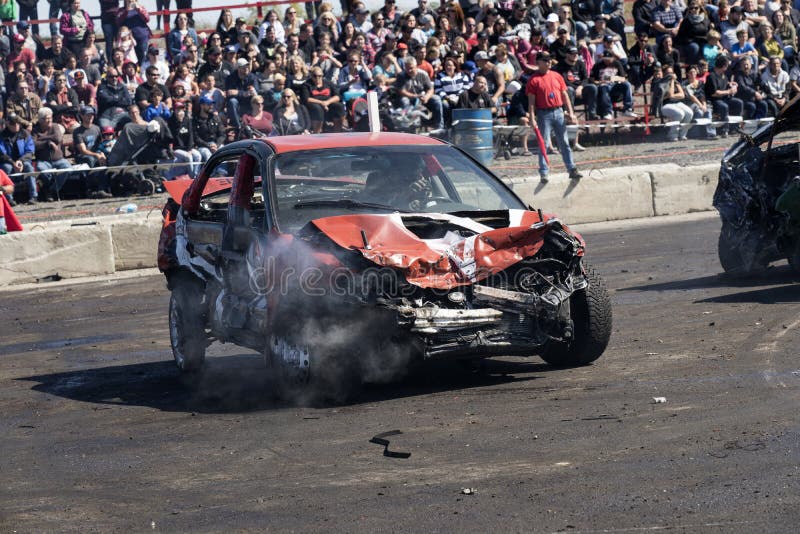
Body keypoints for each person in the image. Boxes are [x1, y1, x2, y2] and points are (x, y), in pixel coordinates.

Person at [525, 52, 583, 183]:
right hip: (543, 113)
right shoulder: (534, 80)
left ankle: (571, 169)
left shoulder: (557, 76)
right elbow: (531, 102)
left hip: (558, 111)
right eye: (545, 60)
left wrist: (570, 112)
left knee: (565, 143)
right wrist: (532, 118)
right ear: (538, 63)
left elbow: (565, 95)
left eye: (549, 60)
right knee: (543, 144)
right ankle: (544, 172)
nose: (548, 62)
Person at [394, 56, 445, 133]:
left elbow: (430, 89)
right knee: (404, 101)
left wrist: (427, 97)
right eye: (407, 68)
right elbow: (401, 91)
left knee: (436, 99)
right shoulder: (401, 75)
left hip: (422, 96)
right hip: (408, 97)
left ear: (416, 66)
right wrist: (414, 96)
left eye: (411, 68)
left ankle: (438, 126)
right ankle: (409, 127)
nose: (409, 70)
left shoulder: (423, 74)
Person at [33, 107, 73, 200]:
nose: (49, 120)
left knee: (68, 168)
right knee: (42, 169)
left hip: (59, 159)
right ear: (41, 120)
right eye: (46, 118)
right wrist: (48, 143)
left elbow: (58, 138)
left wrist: (42, 138)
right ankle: (47, 190)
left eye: (50, 118)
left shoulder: (55, 126)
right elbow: (34, 144)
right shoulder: (36, 130)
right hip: (44, 160)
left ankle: (52, 190)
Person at [554, 45, 599, 121]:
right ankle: (570, 114)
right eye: (572, 54)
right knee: (569, 89)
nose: (575, 55)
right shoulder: (560, 66)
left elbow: (585, 78)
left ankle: (592, 113)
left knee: (592, 87)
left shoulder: (580, 63)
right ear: (567, 55)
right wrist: (576, 89)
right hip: (567, 92)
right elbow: (564, 82)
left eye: (576, 53)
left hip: (580, 90)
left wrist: (580, 87)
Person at [589, 50, 637, 120]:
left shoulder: (617, 64)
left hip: (615, 85)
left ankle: (628, 108)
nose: (607, 61)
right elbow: (592, 79)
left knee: (627, 84)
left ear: (613, 58)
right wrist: (598, 82)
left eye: (609, 60)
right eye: (605, 59)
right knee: (604, 87)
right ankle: (608, 112)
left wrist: (612, 78)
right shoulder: (597, 65)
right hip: (603, 86)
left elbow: (623, 78)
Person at [704, 55, 743, 137]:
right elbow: (714, 93)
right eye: (727, 65)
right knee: (723, 106)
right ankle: (723, 130)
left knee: (738, 103)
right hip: (714, 100)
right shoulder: (711, 76)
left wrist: (731, 85)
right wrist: (729, 91)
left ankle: (734, 128)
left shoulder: (724, 75)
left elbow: (725, 85)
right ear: (724, 65)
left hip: (724, 98)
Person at [0, 113, 35, 201]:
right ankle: (9, 198)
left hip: (23, 161)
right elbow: (2, 154)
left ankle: (34, 195)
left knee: (29, 167)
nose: (16, 125)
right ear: (7, 124)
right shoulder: (2, 136)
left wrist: (20, 161)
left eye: (17, 123)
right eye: (13, 124)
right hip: (8, 162)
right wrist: (13, 163)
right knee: (6, 169)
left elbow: (30, 151)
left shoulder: (25, 134)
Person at [301, 66, 344, 133]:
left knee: (339, 106)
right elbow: (306, 98)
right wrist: (321, 103)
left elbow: (338, 96)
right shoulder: (306, 85)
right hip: (314, 104)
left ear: (322, 75)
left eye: (319, 76)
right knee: (317, 109)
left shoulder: (328, 83)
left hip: (328, 103)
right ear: (311, 76)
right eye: (315, 76)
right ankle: (317, 132)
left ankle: (337, 131)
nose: (317, 78)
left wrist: (327, 102)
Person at [193, 94, 225, 161]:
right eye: (208, 104)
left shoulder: (216, 118)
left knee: (223, 151)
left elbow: (222, 135)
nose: (211, 106)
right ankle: (211, 172)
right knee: (207, 154)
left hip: (216, 144)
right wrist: (208, 145)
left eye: (212, 104)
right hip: (203, 146)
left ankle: (222, 171)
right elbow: (196, 138)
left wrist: (216, 145)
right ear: (202, 105)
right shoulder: (195, 120)